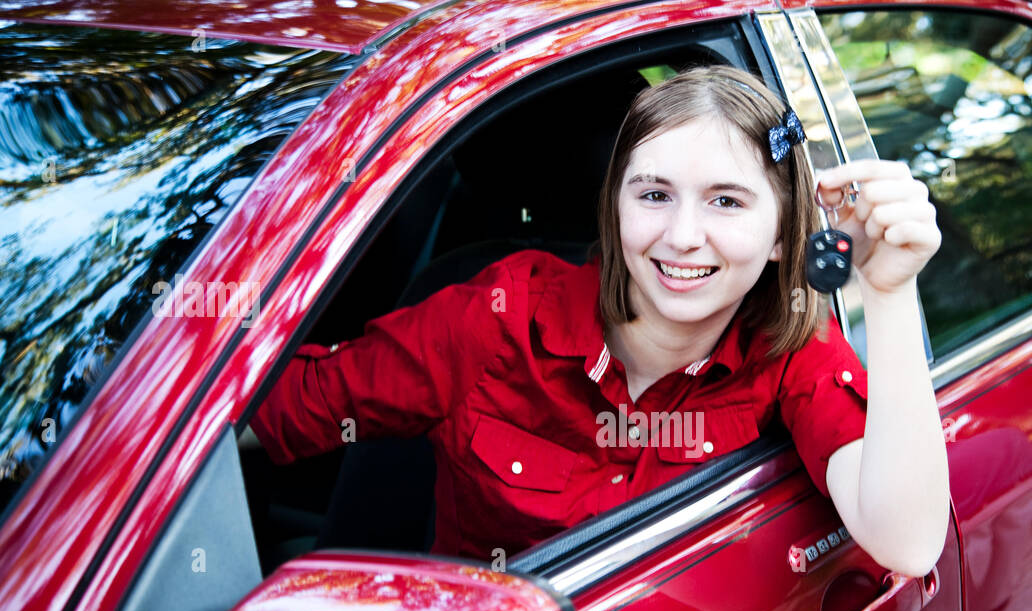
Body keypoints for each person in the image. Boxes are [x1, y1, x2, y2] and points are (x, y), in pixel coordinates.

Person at [242, 65, 949, 576]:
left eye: (726, 202)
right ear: (615, 208)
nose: (682, 236)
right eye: (654, 195)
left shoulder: (792, 347)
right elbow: (263, 415)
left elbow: (907, 544)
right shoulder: (498, 317)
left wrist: (886, 292)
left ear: (778, 238)